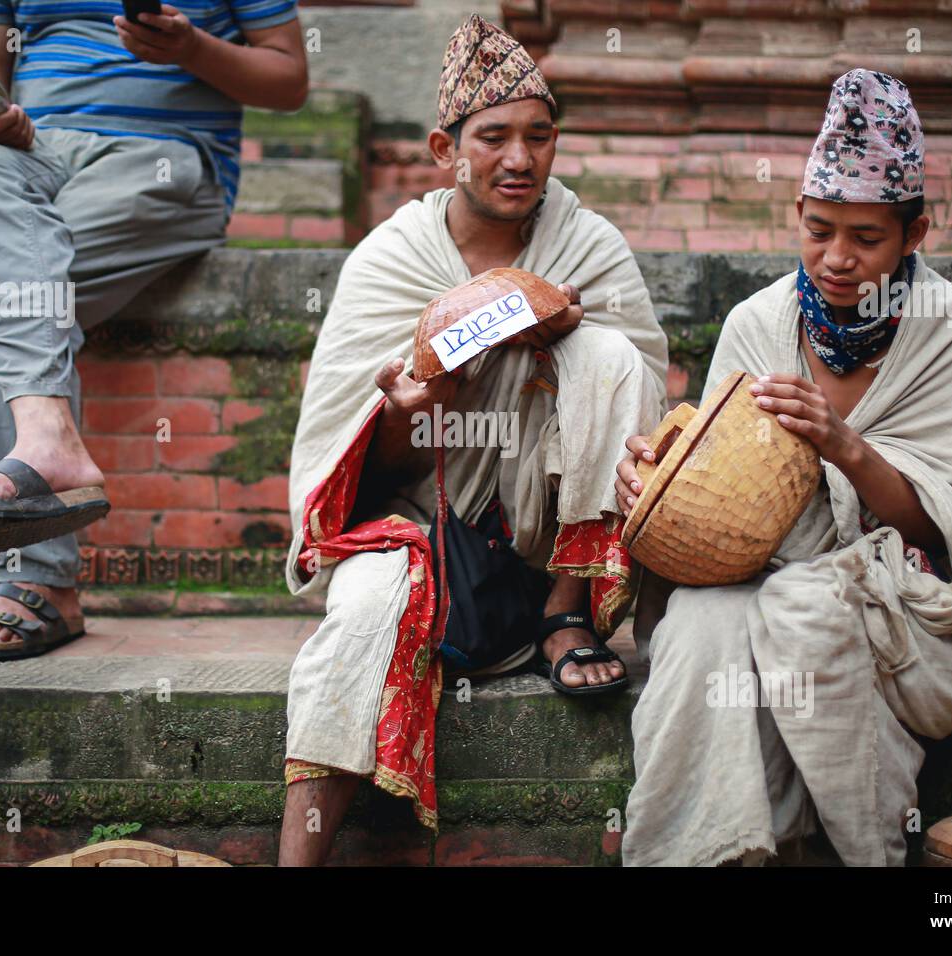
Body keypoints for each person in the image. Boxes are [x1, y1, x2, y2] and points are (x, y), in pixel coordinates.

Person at [615, 69, 952, 866]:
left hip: (912, 612)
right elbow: (717, 508)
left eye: (866, 238)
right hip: (766, 577)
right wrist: (660, 483)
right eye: (817, 230)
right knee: (703, 626)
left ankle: (864, 849)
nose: (836, 258)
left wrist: (845, 448)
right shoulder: (756, 325)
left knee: (804, 610)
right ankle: (709, 853)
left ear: (914, 235)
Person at [279, 15, 669, 865]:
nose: (519, 160)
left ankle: (567, 617)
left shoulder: (588, 246)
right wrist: (418, 407)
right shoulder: (390, 260)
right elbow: (348, 472)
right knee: (354, 626)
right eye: (492, 138)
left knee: (605, 350)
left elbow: (644, 394)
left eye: (539, 136)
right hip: (420, 530)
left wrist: (552, 331)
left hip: (543, 526)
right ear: (444, 148)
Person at [0, 0, 308, 660]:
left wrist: (191, 48)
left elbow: (289, 79)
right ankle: (49, 447)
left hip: (162, 163)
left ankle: (33, 578)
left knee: (7, 286)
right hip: (34, 155)